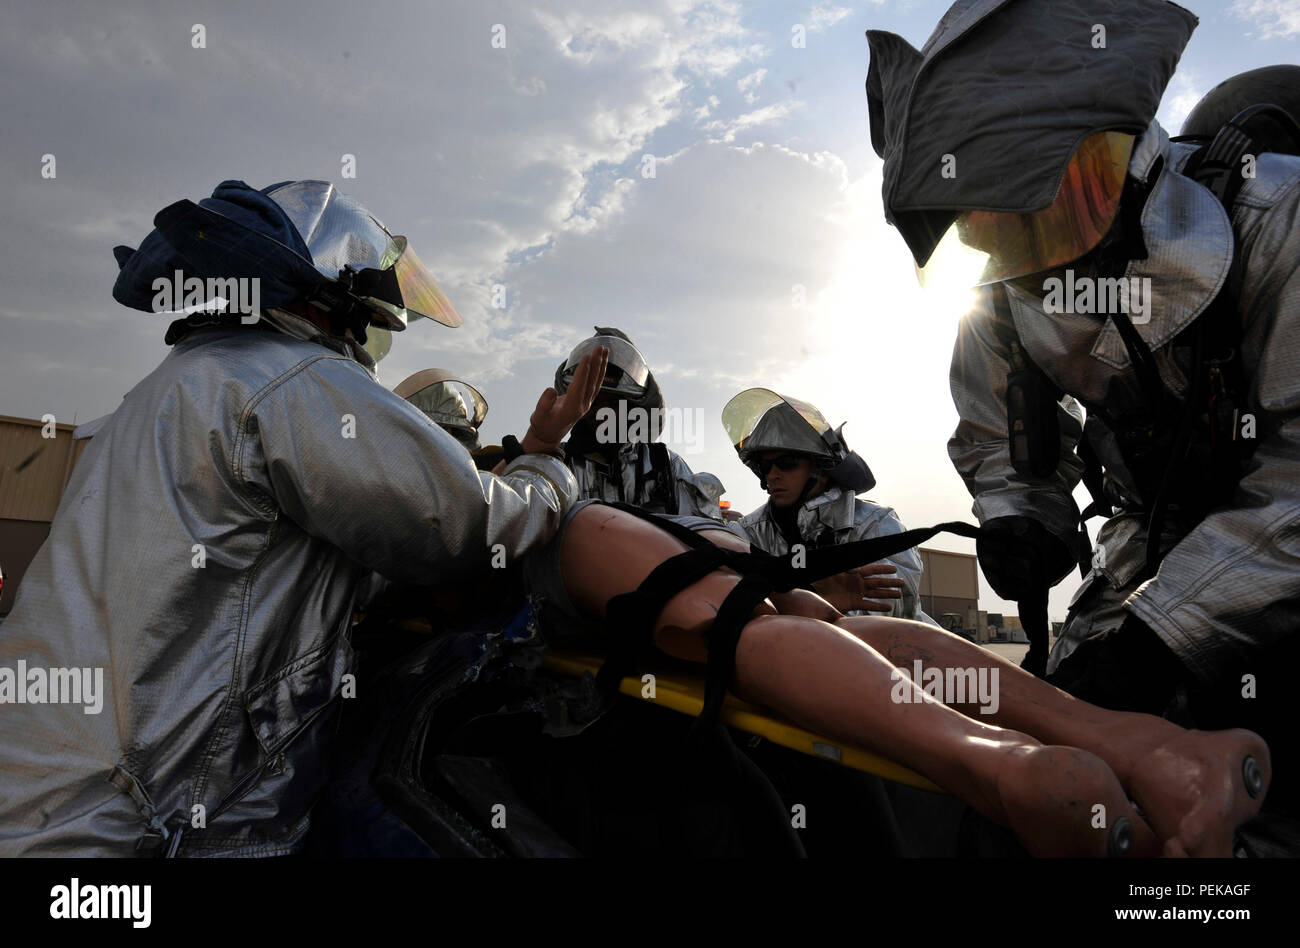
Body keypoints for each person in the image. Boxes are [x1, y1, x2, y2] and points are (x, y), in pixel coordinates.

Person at [0, 179, 608, 856]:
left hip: (49, 802)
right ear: (332, 300)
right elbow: (465, 526)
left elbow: (262, 572)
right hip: (148, 828)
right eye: (370, 324)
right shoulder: (291, 379)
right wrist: (547, 463)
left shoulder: (168, 390)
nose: (364, 347)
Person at [865, 1, 1300, 837]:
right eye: (996, 233)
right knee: (1059, 754)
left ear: (1125, 168)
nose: (1031, 257)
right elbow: (1001, 444)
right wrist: (1021, 517)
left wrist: (1164, 636)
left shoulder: (1278, 225)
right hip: (1148, 552)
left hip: (1275, 567)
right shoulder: (998, 296)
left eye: (1050, 214)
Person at [520, 499, 1271, 857]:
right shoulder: (731, 512)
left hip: (612, 546)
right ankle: (1161, 753)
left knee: (745, 630)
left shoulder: (849, 514)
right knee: (814, 630)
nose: (774, 476)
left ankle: (1004, 767)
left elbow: (461, 516)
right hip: (705, 557)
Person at [723, 388, 932, 622]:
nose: (773, 475)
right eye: (765, 466)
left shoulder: (876, 524)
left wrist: (830, 608)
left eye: (786, 463)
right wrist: (810, 597)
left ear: (820, 468)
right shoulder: (745, 533)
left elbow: (899, 602)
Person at [555, 327, 726, 519]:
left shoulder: (665, 465)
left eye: (613, 402)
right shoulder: (556, 465)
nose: (602, 411)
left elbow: (696, 533)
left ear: (630, 405)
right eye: (594, 400)